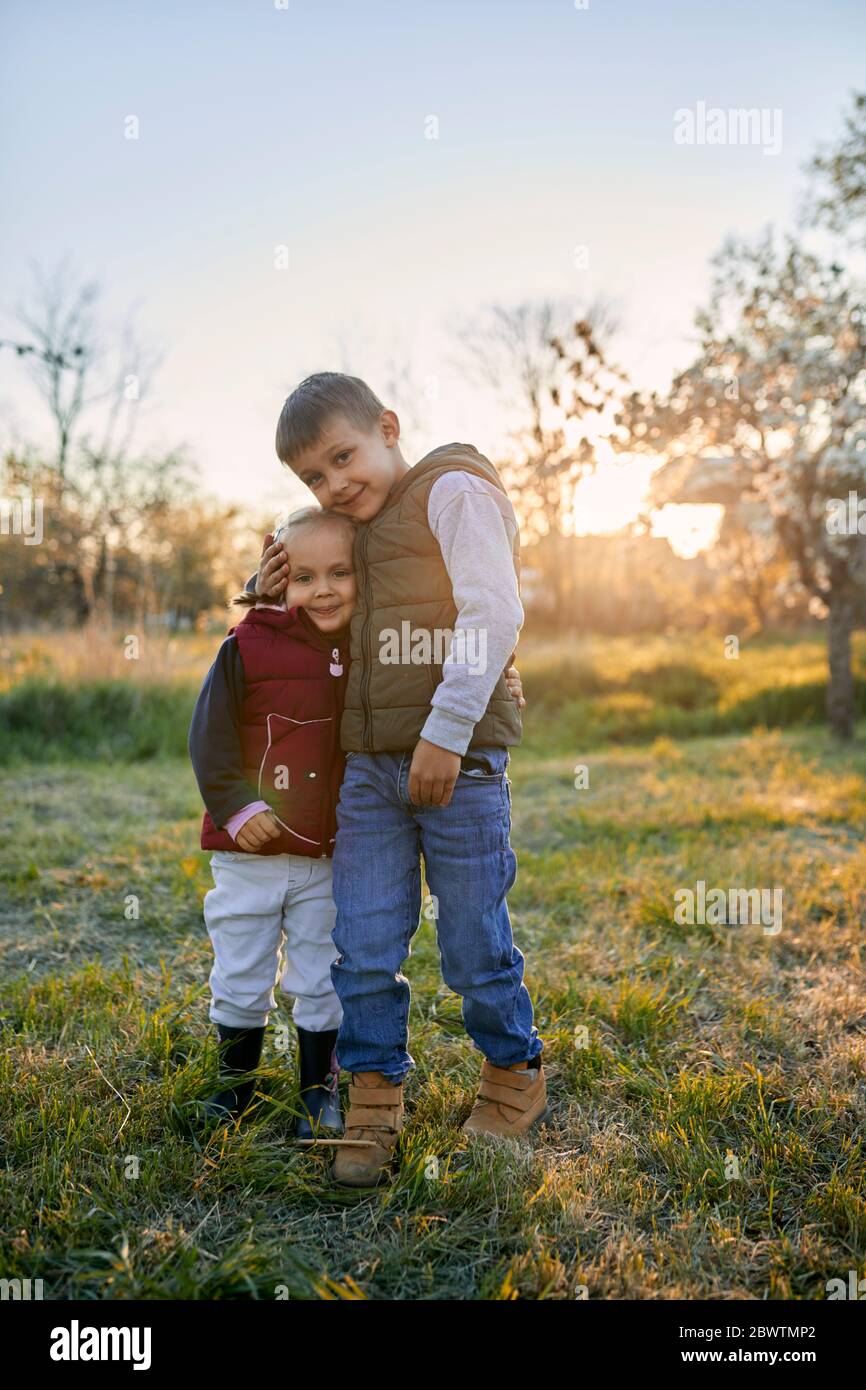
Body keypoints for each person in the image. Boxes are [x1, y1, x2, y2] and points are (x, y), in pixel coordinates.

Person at [254, 371, 545, 1187]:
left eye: (344, 456)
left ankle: (513, 1072)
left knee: (470, 940)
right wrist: (269, 588)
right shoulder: (357, 529)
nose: (334, 483)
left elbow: (494, 613)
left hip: (460, 763)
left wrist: (447, 733)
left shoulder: (452, 491)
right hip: (370, 772)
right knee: (365, 940)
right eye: (314, 477)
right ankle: (375, 1090)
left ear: (388, 426)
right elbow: (318, 610)